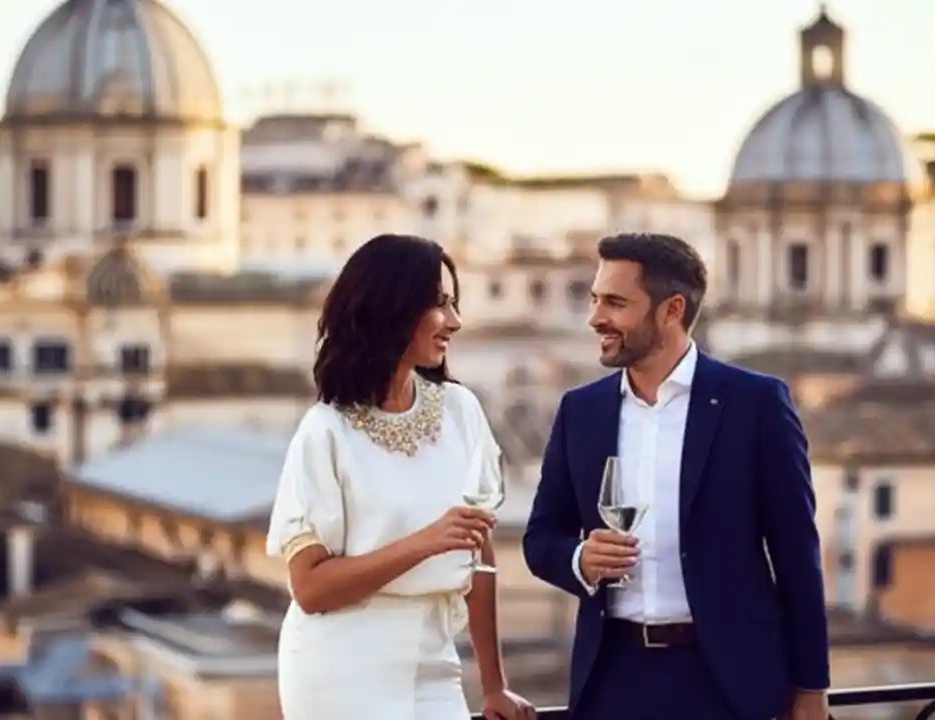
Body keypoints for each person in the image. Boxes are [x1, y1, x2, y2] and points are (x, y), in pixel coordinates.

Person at [522, 233, 831, 720]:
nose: (595, 317)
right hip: (612, 680)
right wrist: (581, 557)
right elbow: (540, 539)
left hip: (724, 684)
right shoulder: (581, 411)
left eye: (615, 302)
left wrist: (812, 688)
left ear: (672, 310)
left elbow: (797, 555)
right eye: (595, 299)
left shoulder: (756, 404)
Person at [266, 234, 537, 720]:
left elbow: (481, 558)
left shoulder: (461, 411)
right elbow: (309, 588)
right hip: (340, 668)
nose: (454, 322)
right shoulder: (325, 431)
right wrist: (426, 542)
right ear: (393, 308)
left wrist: (494, 687)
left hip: (436, 665)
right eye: (440, 305)